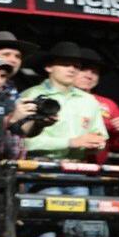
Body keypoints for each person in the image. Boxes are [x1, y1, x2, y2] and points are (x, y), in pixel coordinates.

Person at [18, 41, 107, 196]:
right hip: (40, 169)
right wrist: (70, 142)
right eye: (66, 64)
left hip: (77, 171)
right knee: (54, 209)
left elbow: (100, 135)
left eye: (77, 66)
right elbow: (23, 141)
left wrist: (97, 143)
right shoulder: (30, 96)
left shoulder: (89, 100)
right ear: (49, 67)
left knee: (81, 215)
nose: (72, 69)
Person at [74, 48, 119, 165]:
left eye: (95, 72)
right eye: (83, 70)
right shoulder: (55, 99)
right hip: (58, 167)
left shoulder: (108, 104)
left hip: (94, 173)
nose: (89, 76)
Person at [0, 31, 39, 158]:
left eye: (17, 56)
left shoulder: (5, 95)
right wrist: (11, 119)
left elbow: (20, 129)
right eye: (6, 54)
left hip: (2, 167)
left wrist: (39, 121)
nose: (13, 60)